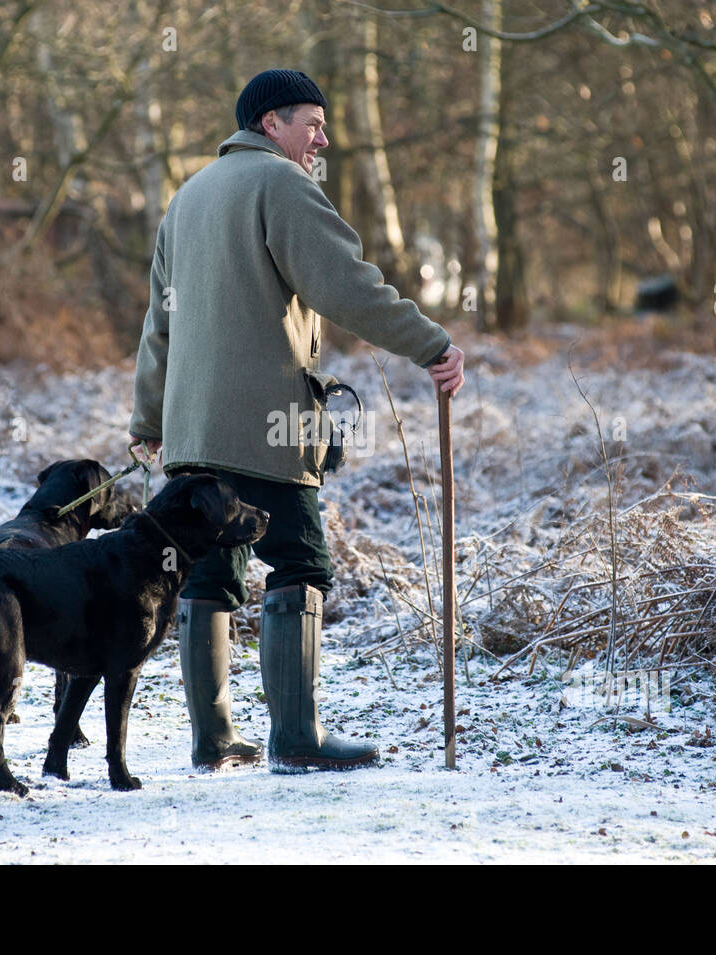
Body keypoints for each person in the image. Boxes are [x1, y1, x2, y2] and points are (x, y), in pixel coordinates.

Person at [129, 68, 465, 773]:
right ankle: (296, 740)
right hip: (268, 428)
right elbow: (346, 285)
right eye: (311, 123)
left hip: (195, 433)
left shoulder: (186, 198)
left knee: (208, 573)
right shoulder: (281, 185)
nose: (323, 138)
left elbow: (160, 322)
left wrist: (151, 418)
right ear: (271, 123)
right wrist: (431, 343)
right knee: (300, 561)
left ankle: (212, 739)